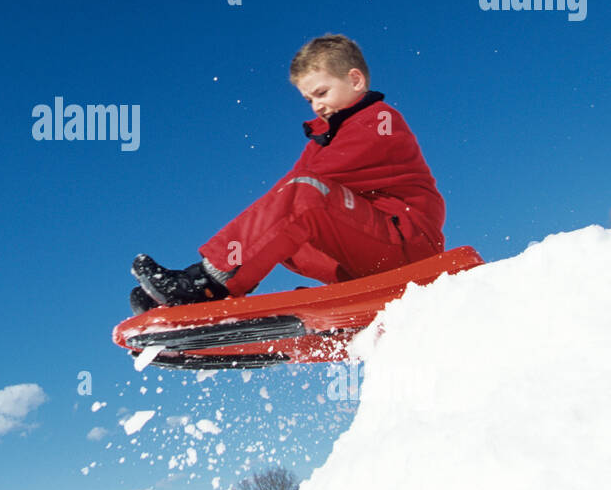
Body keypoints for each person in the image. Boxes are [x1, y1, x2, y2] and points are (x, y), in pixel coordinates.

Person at [131, 33, 446, 312]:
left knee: (299, 199)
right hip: (371, 252)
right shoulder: (327, 137)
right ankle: (203, 291)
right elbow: (283, 200)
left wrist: (223, 259)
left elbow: (300, 191)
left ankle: (209, 282)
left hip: (407, 247)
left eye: (321, 93)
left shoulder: (380, 121)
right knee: (279, 227)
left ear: (355, 80)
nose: (315, 106)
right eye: (309, 99)